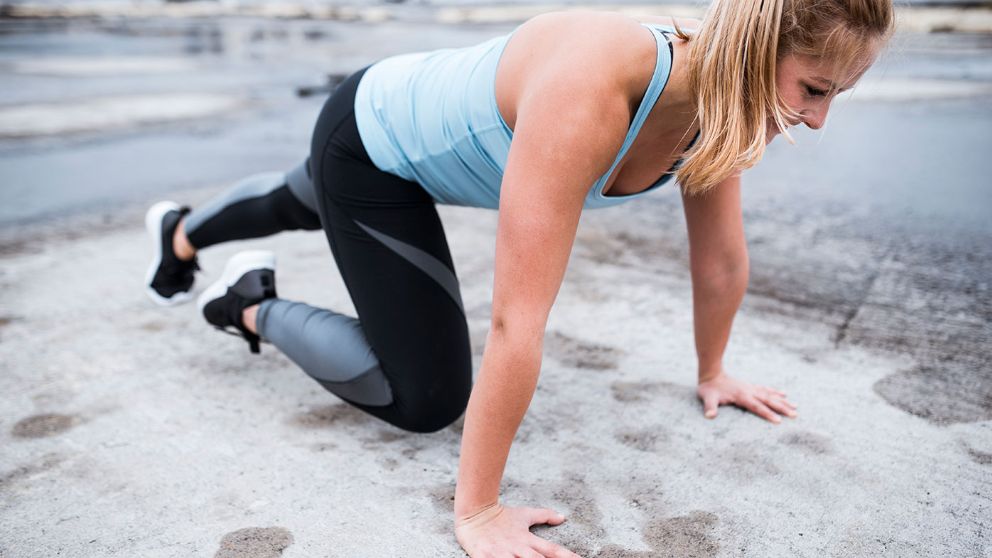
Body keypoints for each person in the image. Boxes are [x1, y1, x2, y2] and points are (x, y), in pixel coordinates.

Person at [144, 0, 893, 555]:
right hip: (370, 140)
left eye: (836, 96)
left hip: (408, 128)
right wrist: (476, 511)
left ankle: (179, 234)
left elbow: (720, 260)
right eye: (814, 90)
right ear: (757, 50)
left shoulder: (722, 108)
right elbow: (517, 320)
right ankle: (248, 302)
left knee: (305, 196)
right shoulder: (597, 87)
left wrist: (714, 369)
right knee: (426, 396)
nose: (818, 120)